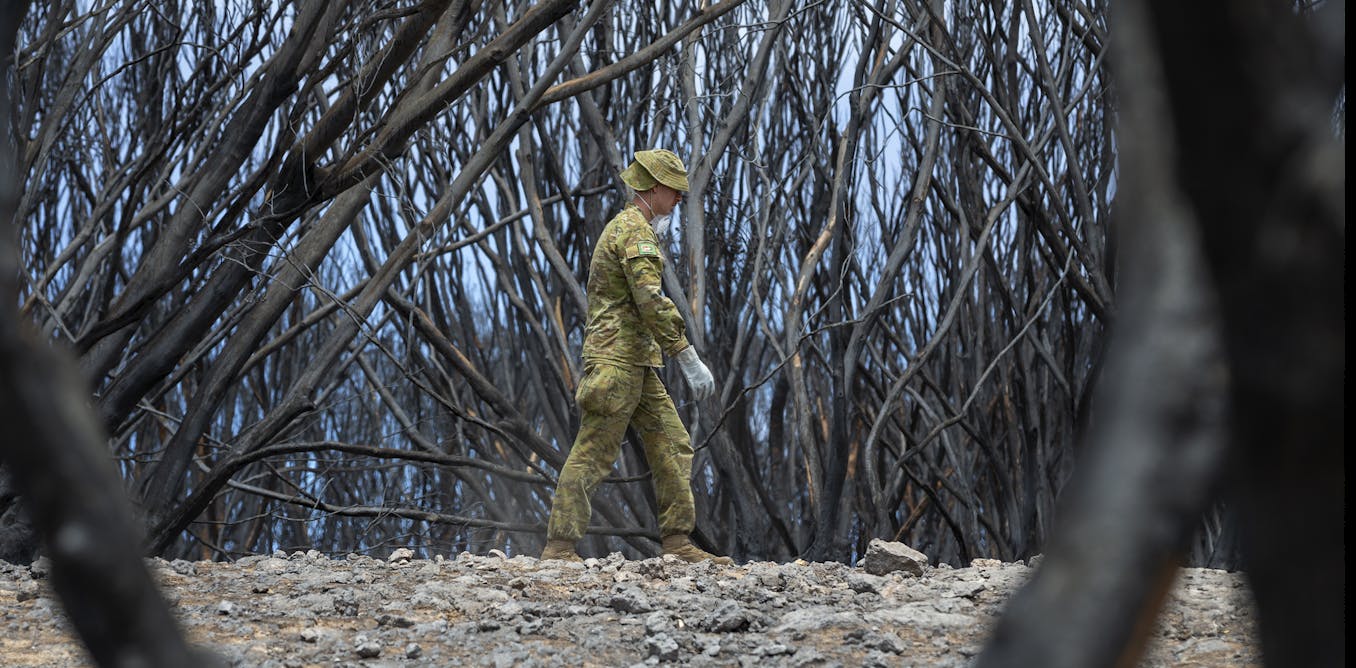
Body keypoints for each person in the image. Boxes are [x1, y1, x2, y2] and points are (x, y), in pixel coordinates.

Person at [539, 149, 732, 565]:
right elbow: (650, 298)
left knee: (672, 442)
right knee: (593, 449)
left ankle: (679, 542)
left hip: (637, 363)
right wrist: (686, 355)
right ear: (655, 188)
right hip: (617, 363)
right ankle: (559, 547)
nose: (679, 200)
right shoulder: (635, 233)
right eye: (675, 192)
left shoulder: (633, 229)